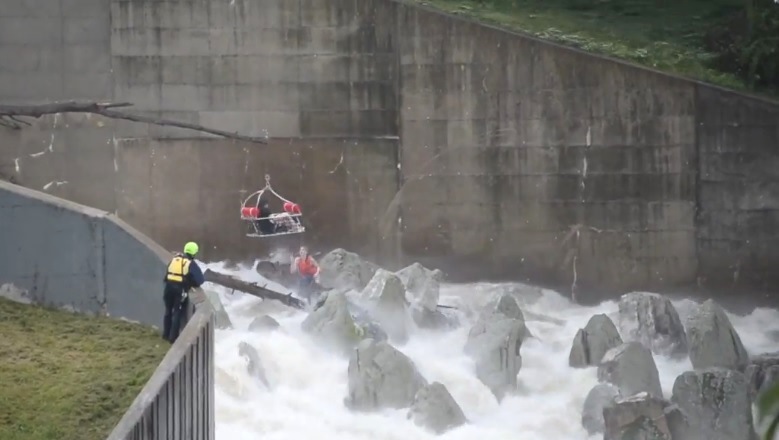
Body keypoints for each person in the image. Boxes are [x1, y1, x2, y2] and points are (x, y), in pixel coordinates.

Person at [162, 241, 205, 343]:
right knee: (177, 312)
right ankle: (173, 338)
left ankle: (165, 335)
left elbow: (168, 273)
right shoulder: (190, 263)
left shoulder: (175, 259)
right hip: (179, 289)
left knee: (168, 311)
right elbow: (200, 280)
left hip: (168, 288)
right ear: (194, 253)